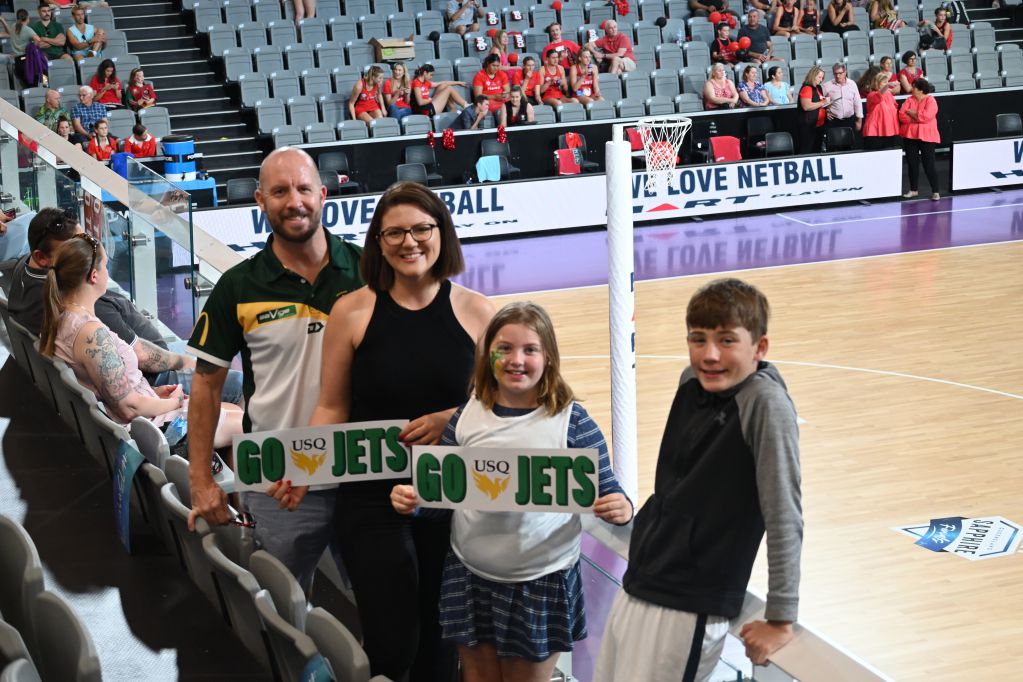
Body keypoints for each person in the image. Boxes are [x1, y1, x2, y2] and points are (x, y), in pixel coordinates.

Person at [275, 182, 494, 681]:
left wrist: (451, 420)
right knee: (393, 635)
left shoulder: (480, 313)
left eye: (421, 228)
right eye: (393, 232)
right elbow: (331, 406)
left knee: (442, 638)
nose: (408, 241)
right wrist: (303, 468)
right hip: (371, 497)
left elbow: (501, 411)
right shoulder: (352, 311)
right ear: (378, 242)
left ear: (442, 233)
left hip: (451, 496)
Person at [390, 301, 633, 682]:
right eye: (504, 348)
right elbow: (442, 497)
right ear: (488, 357)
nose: (516, 359)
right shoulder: (467, 414)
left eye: (530, 349)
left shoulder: (572, 421)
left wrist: (621, 507)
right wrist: (415, 503)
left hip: (541, 580)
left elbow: (609, 491)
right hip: (470, 575)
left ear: (549, 357)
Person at [594, 278, 802, 682]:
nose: (709, 355)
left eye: (727, 341)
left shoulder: (766, 404)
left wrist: (780, 617)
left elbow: (784, 514)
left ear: (759, 348)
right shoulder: (690, 380)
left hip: (690, 602)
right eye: (698, 339)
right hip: (642, 579)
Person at [185, 148, 364, 596]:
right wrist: (201, 479)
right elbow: (205, 388)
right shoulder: (238, 286)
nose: (294, 201)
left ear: (323, 195)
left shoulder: (370, 271)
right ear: (260, 202)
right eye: (279, 191)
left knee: (384, 611)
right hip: (277, 479)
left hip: (364, 471)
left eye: (303, 188)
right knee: (283, 613)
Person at [7, 207, 240, 399]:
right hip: (153, 376)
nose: (85, 253)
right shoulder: (81, 305)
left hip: (144, 372)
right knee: (241, 381)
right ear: (40, 257)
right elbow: (140, 357)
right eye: (73, 250)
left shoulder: (24, 271)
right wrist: (184, 362)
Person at [38, 233, 244, 441]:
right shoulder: (91, 333)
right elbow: (129, 408)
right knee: (246, 423)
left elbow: (112, 391)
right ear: (94, 275)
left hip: (146, 417)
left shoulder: (62, 318)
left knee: (237, 413)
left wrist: (154, 392)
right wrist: (175, 401)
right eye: (105, 266)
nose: (107, 272)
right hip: (150, 430)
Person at [899, 77, 940, 200]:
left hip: (927, 137)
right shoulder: (909, 100)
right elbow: (901, 115)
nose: (912, 89)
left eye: (914, 87)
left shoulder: (931, 100)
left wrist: (911, 114)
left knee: (929, 165)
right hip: (910, 136)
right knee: (912, 164)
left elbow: (927, 117)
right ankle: (913, 190)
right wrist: (915, 117)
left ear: (921, 90)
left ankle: (935, 191)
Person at [0, 10, 42, 86]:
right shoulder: (27, 29)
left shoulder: (14, 26)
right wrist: (31, 48)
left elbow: (8, 32)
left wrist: (2, 20)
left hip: (18, 63)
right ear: (28, 18)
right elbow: (38, 40)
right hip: (27, 63)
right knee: (33, 87)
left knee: (26, 86)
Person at [821, 62, 862, 139]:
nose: (837, 76)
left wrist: (859, 121)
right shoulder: (827, 86)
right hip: (834, 121)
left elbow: (858, 103)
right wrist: (826, 111)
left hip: (850, 120)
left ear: (845, 72)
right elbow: (820, 101)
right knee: (834, 146)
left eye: (840, 73)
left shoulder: (852, 84)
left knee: (851, 146)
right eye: (835, 73)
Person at [863, 71, 900, 150]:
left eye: (887, 82)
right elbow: (880, 94)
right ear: (877, 84)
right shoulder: (872, 95)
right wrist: (888, 85)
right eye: (884, 83)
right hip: (875, 133)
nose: (887, 84)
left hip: (890, 131)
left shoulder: (889, 95)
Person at [798, 65, 830, 153]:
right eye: (819, 77)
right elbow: (806, 106)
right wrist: (823, 102)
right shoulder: (807, 88)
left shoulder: (818, 88)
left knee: (816, 150)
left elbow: (818, 104)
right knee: (807, 150)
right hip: (809, 127)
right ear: (813, 75)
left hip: (818, 126)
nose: (821, 80)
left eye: (822, 77)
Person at [472, 54, 510, 124]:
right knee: (500, 109)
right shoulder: (479, 75)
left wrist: (505, 94)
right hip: (489, 101)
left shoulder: (502, 74)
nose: (496, 68)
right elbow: (478, 96)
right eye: (493, 65)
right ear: (488, 64)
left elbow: (508, 90)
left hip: (502, 99)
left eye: (497, 66)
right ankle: (502, 130)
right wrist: (494, 96)